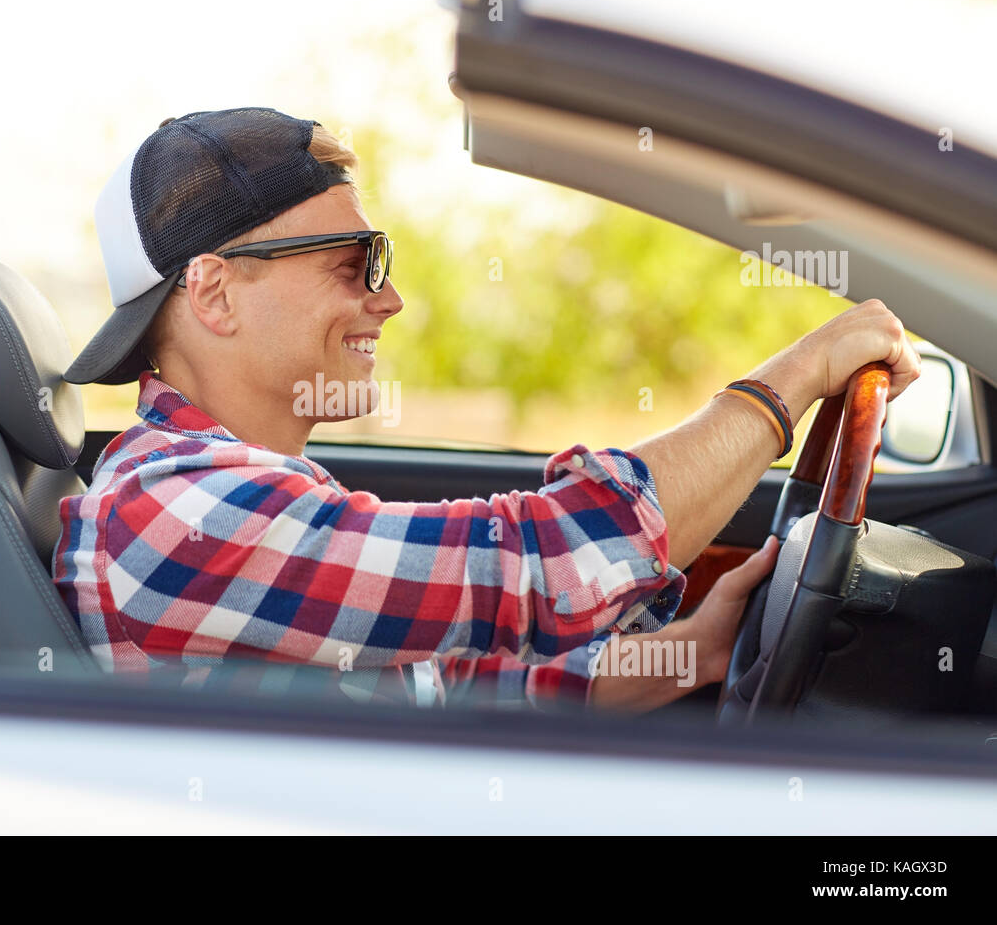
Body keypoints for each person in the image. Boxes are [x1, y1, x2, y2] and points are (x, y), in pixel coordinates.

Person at [53, 107, 920, 711]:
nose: (387, 302)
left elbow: (444, 686)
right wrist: (792, 380)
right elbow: (543, 562)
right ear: (214, 293)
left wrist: (690, 652)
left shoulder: (239, 490)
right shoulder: (176, 512)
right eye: (354, 263)